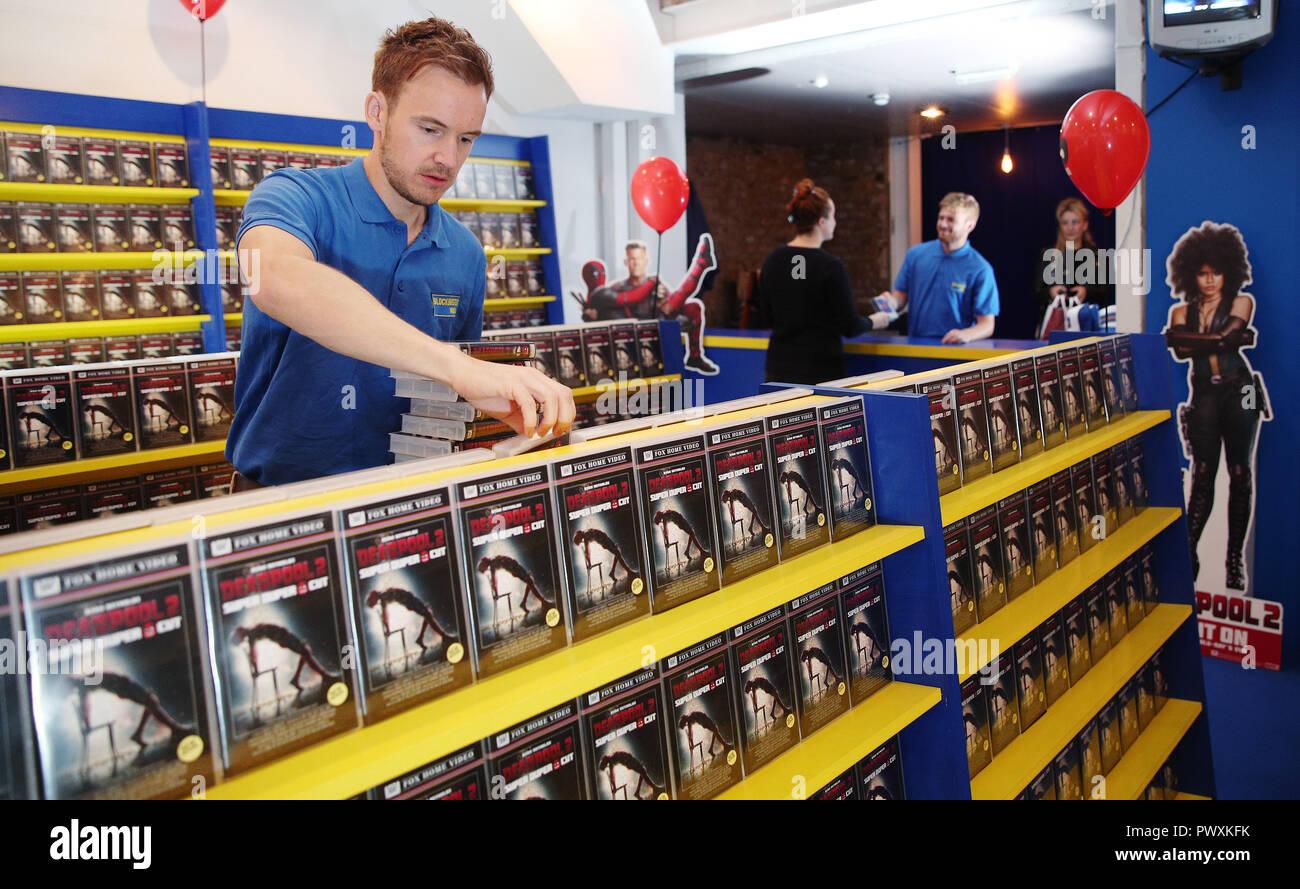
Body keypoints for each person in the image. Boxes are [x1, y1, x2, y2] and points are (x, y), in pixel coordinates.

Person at [229, 17, 573, 488]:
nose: (449, 159)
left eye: (466, 138)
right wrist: (459, 368)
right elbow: (273, 277)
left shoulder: (467, 254)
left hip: (411, 507)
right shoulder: (294, 197)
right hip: (278, 510)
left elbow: (440, 393)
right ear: (377, 111)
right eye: (430, 129)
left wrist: (499, 406)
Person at [1162, 222, 1264, 590]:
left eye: (1215, 272)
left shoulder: (1242, 301)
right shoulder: (1180, 310)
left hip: (1242, 391)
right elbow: (1180, 346)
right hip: (1203, 392)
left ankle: (1234, 559)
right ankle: (1188, 552)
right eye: (1202, 273)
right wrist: (1224, 339)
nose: (1209, 280)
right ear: (1191, 274)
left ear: (1228, 271)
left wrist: (1210, 339)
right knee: (1203, 473)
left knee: (1240, 473)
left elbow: (1199, 342)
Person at [755, 179, 875, 383]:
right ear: (821, 222)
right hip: (820, 372)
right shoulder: (830, 266)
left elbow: (765, 317)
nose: (835, 223)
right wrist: (875, 320)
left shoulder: (773, 260)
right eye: (833, 217)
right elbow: (850, 326)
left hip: (779, 368)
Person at [581, 236, 718, 374]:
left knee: (692, 307)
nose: (635, 263)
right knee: (669, 307)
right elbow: (613, 309)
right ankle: (700, 266)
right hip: (639, 337)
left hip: (663, 325)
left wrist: (661, 297)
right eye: (632, 259)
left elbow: (674, 303)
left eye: (639, 259)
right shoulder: (617, 288)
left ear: (646, 261)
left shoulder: (656, 285)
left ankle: (695, 357)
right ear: (626, 262)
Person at [874, 193, 999, 343]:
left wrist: (966, 334)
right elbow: (901, 296)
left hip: (956, 352)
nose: (943, 224)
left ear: (970, 226)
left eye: (951, 220)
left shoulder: (980, 269)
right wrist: (891, 303)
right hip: (915, 349)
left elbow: (987, 325)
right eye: (941, 218)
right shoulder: (916, 255)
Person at [1034, 197, 1112, 310]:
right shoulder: (1049, 255)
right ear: (1060, 226)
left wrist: (1087, 292)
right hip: (1058, 321)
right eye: (1065, 223)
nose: (1070, 228)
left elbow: (1106, 291)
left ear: (1085, 225)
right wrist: (1051, 292)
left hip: (1087, 321)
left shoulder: (1097, 256)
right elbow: (1037, 291)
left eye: (1075, 222)